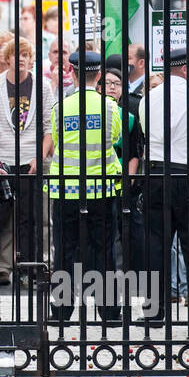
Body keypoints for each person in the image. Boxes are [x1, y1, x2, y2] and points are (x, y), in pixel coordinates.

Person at [137, 45, 189, 326]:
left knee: (155, 245)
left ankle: (154, 312)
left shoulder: (149, 98)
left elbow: (146, 132)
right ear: (186, 68)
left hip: (157, 175)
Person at [46, 52, 124, 323]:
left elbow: (56, 140)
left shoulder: (61, 107)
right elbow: (114, 136)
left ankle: (62, 310)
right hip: (100, 189)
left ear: (72, 72)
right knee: (104, 250)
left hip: (66, 189)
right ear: (100, 75)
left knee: (64, 250)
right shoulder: (109, 106)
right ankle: (109, 311)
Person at [0, 34, 56, 287]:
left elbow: (49, 126)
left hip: (33, 158)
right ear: (6, 58)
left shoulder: (42, 85)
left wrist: (38, 158)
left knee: (37, 217)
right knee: (6, 216)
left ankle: (36, 266)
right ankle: (4, 269)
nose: (20, 59)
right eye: (15, 54)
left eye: (25, 55)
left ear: (31, 60)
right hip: (4, 159)